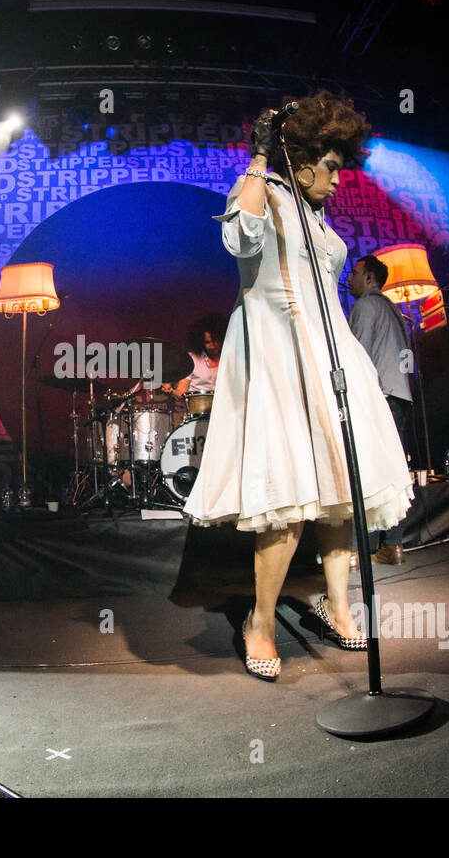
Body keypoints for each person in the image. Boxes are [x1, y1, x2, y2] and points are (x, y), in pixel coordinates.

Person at [183, 91, 413, 680]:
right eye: (331, 166)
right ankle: (259, 622)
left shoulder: (315, 215)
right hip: (278, 354)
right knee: (286, 499)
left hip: (327, 354)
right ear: (302, 158)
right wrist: (260, 157)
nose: (339, 180)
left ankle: (338, 607)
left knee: (340, 493)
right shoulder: (258, 190)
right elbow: (241, 240)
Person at [346, 254, 414, 564]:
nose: (350, 278)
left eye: (356, 273)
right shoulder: (393, 309)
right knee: (393, 469)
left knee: (369, 470)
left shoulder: (365, 306)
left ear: (370, 278)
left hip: (379, 396)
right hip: (400, 395)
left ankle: (368, 547)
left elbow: (357, 356)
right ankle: (394, 545)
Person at [162, 313, 225, 403]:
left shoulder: (229, 360)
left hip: (223, 409)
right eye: (207, 342)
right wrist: (171, 392)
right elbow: (181, 393)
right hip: (199, 411)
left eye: (215, 341)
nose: (212, 346)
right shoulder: (193, 360)